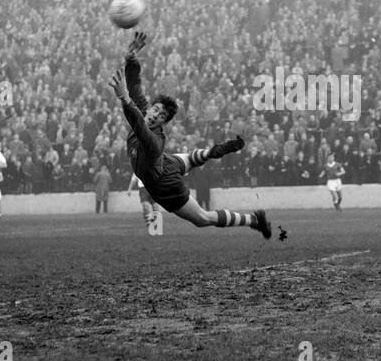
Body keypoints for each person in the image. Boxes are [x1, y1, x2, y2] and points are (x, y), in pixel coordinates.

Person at [108, 31, 270, 237]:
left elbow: (139, 125)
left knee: (202, 218)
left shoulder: (155, 140)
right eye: (155, 109)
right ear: (150, 109)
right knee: (195, 158)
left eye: (161, 115)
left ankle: (254, 219)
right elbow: (135, 86)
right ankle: (217, 151)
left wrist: (125, 100)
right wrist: (131, 59)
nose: (155, 115)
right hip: (165, 163)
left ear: (163, 123)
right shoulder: (143, 111)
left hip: (164, 184)